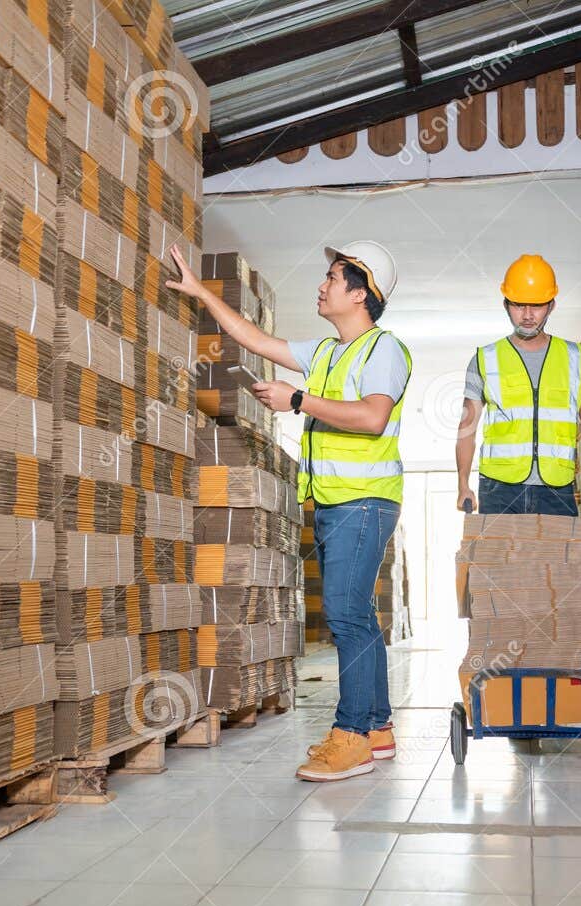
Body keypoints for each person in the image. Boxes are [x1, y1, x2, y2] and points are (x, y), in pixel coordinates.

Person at [166, 240, 411, 782]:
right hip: (334, 500)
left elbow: (372, 418)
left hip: (364, 502)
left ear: (360, 292)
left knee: (345, 617)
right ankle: (376, 728)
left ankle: (351, 740)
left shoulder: (383, 350)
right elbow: (252, 338)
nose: (321, 286)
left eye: (331, 278)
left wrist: (297, 401)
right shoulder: (326, 352)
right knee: (359, 616)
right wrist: (201, 291)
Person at [455, 254, 581, 516]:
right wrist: (462, 485)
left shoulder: (574, 358)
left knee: (555, 558)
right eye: (518, 305)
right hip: (498, 488)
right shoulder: (484, 359)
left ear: (551, 306)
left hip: (557, 488)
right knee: (499, 558)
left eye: (536, 306)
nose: (527, 315)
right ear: (506, 304)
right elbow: (467, 425)